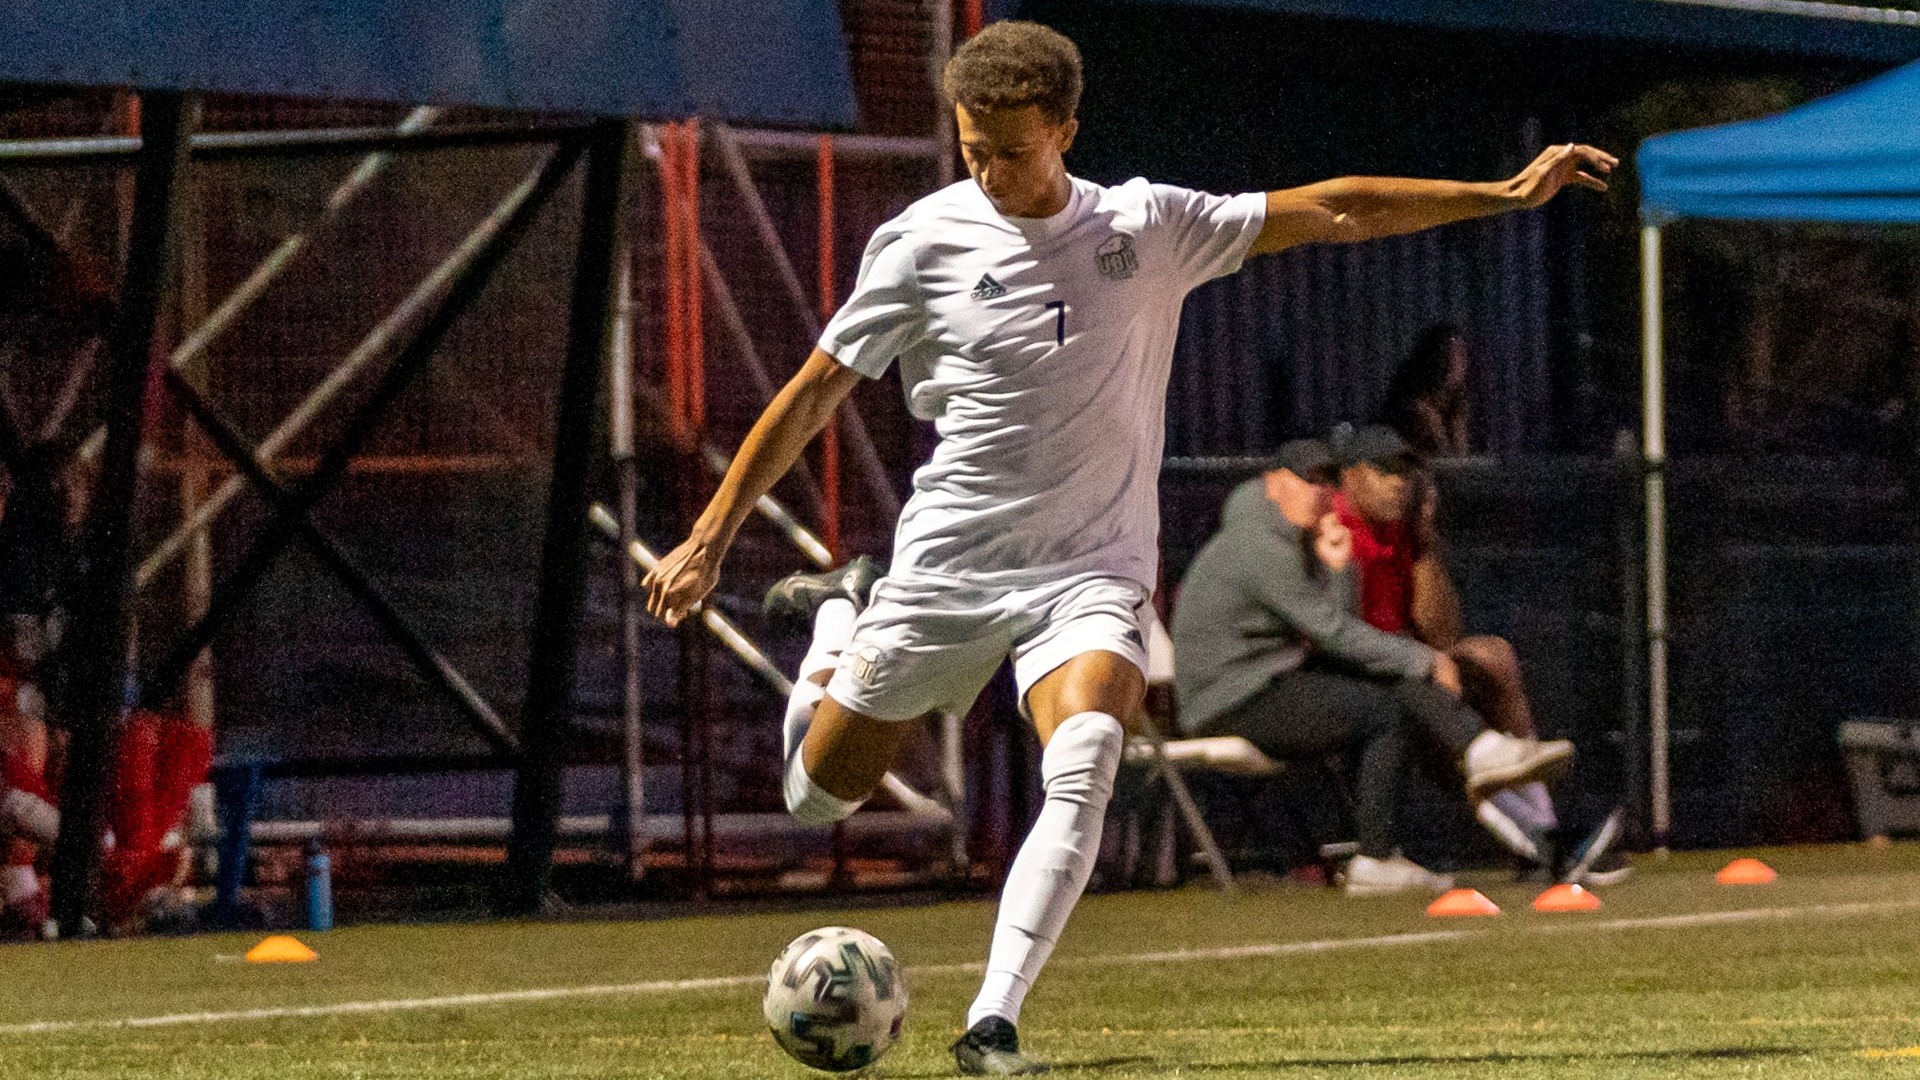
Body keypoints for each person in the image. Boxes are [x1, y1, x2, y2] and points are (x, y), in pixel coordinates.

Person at [643, 19, 1614, 1074]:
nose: (990, 172)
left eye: (1012, 150)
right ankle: (841, 614)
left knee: (1088, 755)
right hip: (948, 568)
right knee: (817, 796)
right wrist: (707, 539)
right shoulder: (921, 242)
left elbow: (1336, 207)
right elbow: (811, 393)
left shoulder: (1147, 226)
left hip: (1088, 572)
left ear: (1066, 129)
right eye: (972, 149)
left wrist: (1501, 194)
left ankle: (994, 1021)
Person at [1170, 440, 1573, 896]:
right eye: (1308, 480)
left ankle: (1485, 756)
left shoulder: (1297, 538)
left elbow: (1338, 628)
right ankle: (1379, 857)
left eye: (1326, 481)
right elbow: (1334, 632)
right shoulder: (1257, 542)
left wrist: (1339, 568)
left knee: (1394, 683)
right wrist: (1425, 659)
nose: (1320, 492)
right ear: (1273, 484)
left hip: (1268, 679)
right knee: (1383, 712)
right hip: (1229, 700)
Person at [1329, 423, 1628, 882]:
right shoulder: (1335, 531)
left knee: (1492, 658)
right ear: (1349, 477)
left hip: (1402, 667)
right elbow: (1342, 637)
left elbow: (1440, 631)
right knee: (1431, 715)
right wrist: (1424, 662)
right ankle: (1544, 844)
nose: (1398, 483)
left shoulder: (1397, 534)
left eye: (1404, 473)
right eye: (1383, 471)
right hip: (1354, 679)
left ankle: (1543, 823)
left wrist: (1424, 543)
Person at [1382, 322, 1473, 457]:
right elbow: (1440, 456)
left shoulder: (1454, 405)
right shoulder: (1415, 406)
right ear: (1440, 360)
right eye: (1458, 353)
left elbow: (1460, 458)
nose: (1465, 361)